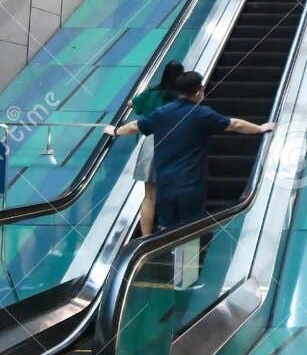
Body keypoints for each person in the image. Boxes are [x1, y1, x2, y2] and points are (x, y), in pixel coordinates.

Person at [105, 70, 274, 234]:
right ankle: (185, 262)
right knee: (189, 231)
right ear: (198, 91)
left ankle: (166, 255)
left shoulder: (161, 113)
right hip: (190, 184)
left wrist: (115, 131)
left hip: (165, 183)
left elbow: (136, 126)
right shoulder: (202, 114)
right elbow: (235, 124)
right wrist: (260, 128)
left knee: (166, 229)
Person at [130, 61, 183, 235]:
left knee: (149, 195)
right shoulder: (181, 98)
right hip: (174, 144)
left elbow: (132, 104)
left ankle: (146, 237)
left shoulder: (151, 93)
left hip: (151, 143)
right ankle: (168, 231)